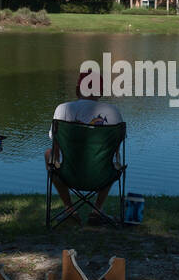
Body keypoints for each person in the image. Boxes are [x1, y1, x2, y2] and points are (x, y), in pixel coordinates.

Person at [46, 69, 124, 224]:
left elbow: (55, 148)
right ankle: (96, 210)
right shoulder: (113, 111)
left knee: (48, 154)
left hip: (68, 174)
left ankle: (70, 210)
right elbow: (115, 150)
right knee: (115, 160)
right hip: (101, 175)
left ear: (77, 90)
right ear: (100, 91)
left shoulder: (62, 109)